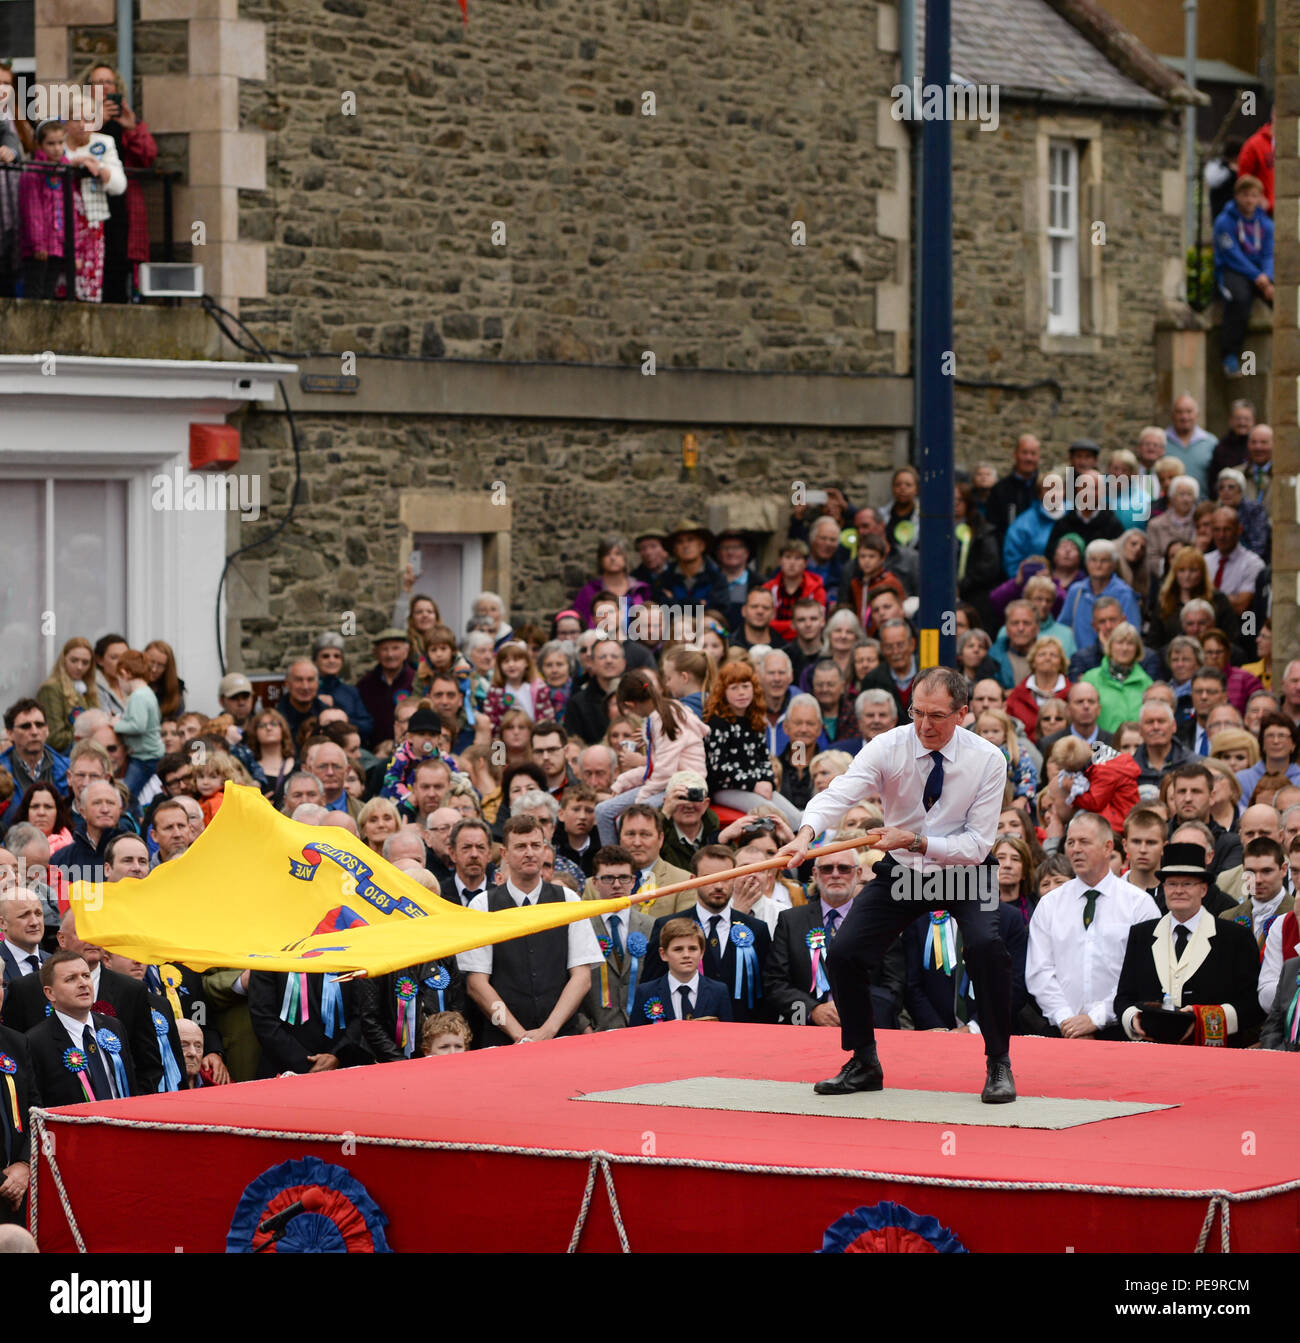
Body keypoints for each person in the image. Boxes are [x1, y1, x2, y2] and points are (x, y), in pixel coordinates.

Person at [777, 666, 1015, 1101]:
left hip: (963, 872)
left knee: (985, 947)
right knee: (845, 952)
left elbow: (978, 845)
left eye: (938, 716)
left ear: (962, 713)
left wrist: (919, 841)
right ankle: (863, 1061)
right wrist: (805, 834)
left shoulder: (988, 759)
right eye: (917, 712)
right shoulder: (887, 746)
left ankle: (999, 1061)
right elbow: (840, 793)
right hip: (904, 871)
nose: (924, 725)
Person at [457, 816, 603, 1047]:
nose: (530, 853)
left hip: (562, 1035)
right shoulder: (482, 905)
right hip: (501, 1040)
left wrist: (548, 1030)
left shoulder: (568, 900)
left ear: (545, 850)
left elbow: (582, 977)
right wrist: (518, 1034)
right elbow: (477, 984)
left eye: (536, 846)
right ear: (504, 854)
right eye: (521, 846)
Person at [1025, 812, 1160, 1040]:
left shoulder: (1139, 904)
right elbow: (1039, 971)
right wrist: (1067, 1020)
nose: (1075, 849)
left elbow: (1142, 974)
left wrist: (1095, 1019)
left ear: (1108, 847)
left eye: (1084, 842)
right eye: (1070, 842)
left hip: (1120, 1032)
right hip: (1062, 1031)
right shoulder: (1050, 904)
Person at [1114, 843, 1263, 1046]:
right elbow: (1124, 997)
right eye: (1172, 884)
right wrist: (1134, 1019)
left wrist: (1202, 1018)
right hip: (1151, 1050)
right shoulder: (1141, 934)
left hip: (1212, 1054)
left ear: (1203, 889)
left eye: (1187, 884)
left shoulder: (1235, 937)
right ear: (1163, 888)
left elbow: (1252, 1005)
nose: (1178, 891)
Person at [643, 845, 771, 1023]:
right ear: (693, 880)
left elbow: (766, 990)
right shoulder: (666, 925)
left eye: (725, 878)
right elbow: (651, 987)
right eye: (709, 878)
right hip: (682, 1036)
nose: (718, 885)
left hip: (743, 1034)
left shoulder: (757, 929)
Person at [594, 669, 708, 846]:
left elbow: (664, 772)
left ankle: (627, 864)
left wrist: (639, 804)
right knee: (602, 811)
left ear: (631, 705)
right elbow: (653, 768)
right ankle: (612, 861)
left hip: (683, 784)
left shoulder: (665, 717)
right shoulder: (657, 716)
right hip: (667, 783)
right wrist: (623, 780)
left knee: (623, 821)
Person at [25, 950, 139, 1104]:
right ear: (50, 993)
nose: (83, 983)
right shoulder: (35, 1042)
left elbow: (130, 1085)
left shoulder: (113, 1027)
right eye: (71, 979)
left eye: (86, 976)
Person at [765, 844, 860, 1026]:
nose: (835, 874)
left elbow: (893, 983)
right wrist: (811, 1011)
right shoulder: (790, 921)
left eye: (844, 868)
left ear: (859, 873)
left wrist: (856, 1010)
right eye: (826, 869)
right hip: (805, 1029)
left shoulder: (876, 920)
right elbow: (775, 983)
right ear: (815, 874)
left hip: (867, 1028)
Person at [578, 845, 657, 1031]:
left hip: (643, 1029)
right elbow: (567, 980)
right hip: (595, 1031)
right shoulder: (581, 925)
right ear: (594, 883)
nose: (616, 885)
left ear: (633, 882)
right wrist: (583, 1027)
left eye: (623, 878)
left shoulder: (651, 926)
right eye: (607, 878)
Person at [1213, 175, 1274, 377]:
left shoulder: (1266, 224)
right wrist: (1259, 277)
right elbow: (1232, 255)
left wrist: (1267, 276)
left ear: (1259, 198)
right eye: (1245, 195)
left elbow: (1268, 253)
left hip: (1260, 274)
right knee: (1239, 299)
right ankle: (1229, 355)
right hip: (1234, 271)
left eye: (1254, 196)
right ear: (1237, 196)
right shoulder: (1224, 221)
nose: (1249, 200)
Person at [630, 917, 733, 1025]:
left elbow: (727, 1036)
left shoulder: (718, 991)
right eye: (678, 949)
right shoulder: (646, 992)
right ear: (663, 954)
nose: (686, 955)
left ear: (702, 952)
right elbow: (636, 1036)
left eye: (692, 949)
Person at [1, 699, 68, 828]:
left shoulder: (69, 770)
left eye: (39, 725)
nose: (34, 732)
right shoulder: (2, 770)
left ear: (47, 730)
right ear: (10, 733)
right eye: (25, 726)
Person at [0, 975, 35, 1225]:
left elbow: (35, 1107)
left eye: (0, 984)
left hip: (18, 1189)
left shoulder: (15, 1041)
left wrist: (24, 1164)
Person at [1220, 837, 1293, 954]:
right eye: (1251, 872)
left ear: (1283, 870)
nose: (1257, 880)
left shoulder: (1296, 914)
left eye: (1266, 871)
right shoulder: (1227, 917)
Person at [35, 637, 98, 754]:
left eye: (85, 662)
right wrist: (91, 732)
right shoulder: (51, 689)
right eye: (74, 660)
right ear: (63, 661)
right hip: (62, 758)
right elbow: (54, 737)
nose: (79, 667)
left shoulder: (88, 690)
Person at [357, 628, 417, 749]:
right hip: (374, 750)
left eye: (395, 648)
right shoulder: (365, 684)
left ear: (406, 651)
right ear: (376, 653)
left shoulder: (416, 681)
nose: (390, 655)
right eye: (385, 649)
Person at [0, 889, 47, 985]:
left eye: (38, 914)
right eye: (24, 916)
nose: (34, 922)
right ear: (3, 923)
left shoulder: (55, 962)